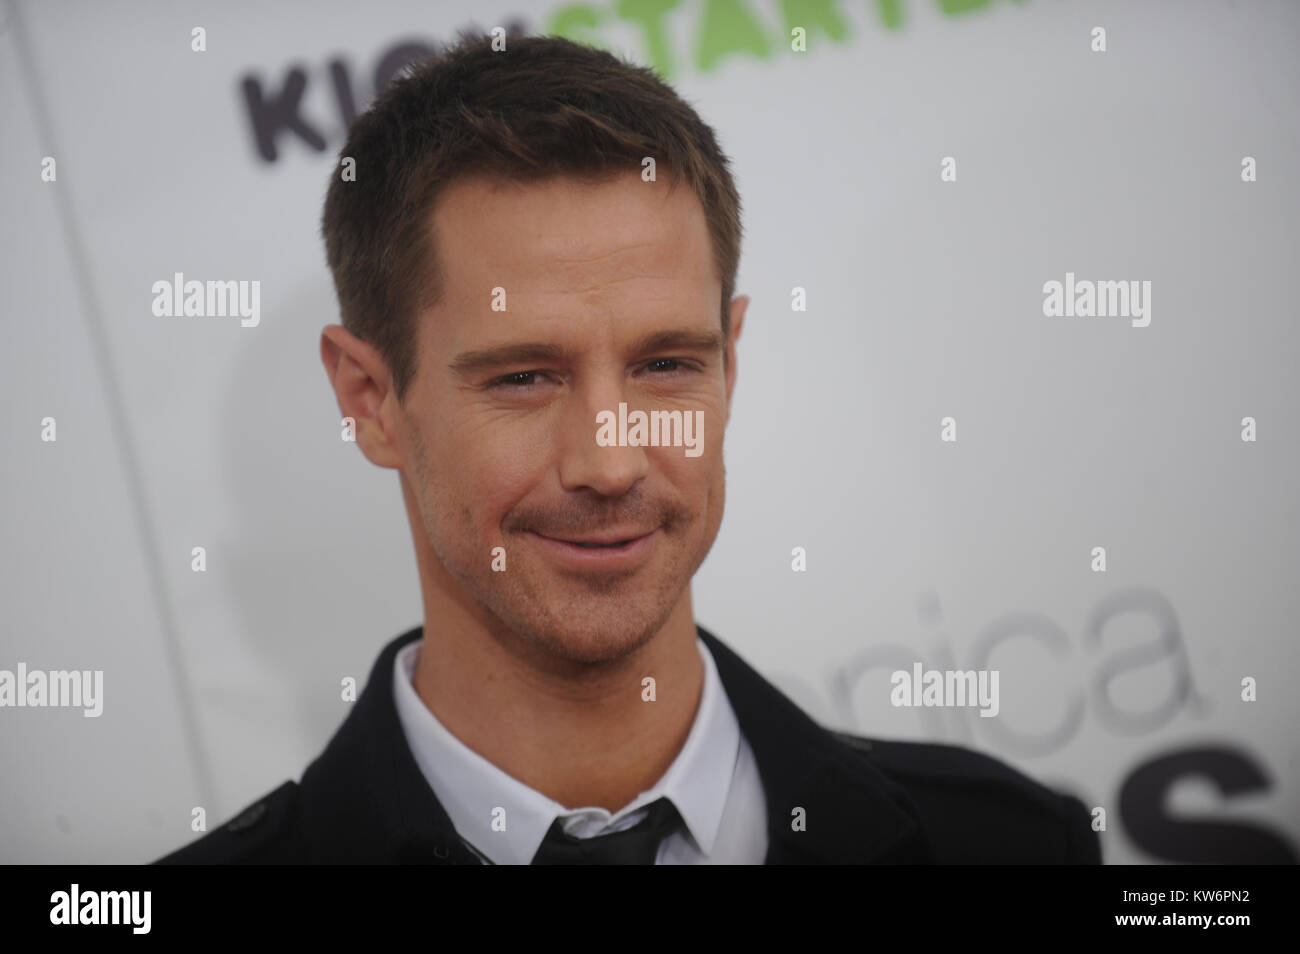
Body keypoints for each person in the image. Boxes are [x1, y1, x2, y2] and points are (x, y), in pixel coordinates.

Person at [158, 31, 1100, 865]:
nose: (611, 465)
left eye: (664, 365)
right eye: (523, 377)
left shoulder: (1009, 844)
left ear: (730, 363)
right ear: (371, 401)